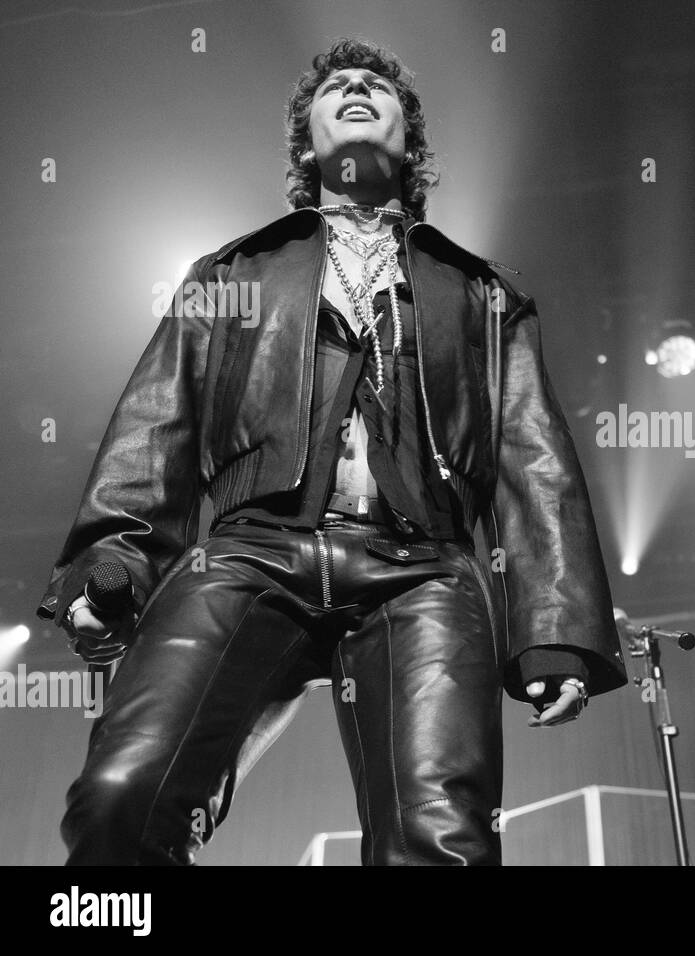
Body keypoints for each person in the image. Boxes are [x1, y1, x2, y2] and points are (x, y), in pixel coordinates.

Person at [36, 37, 625, 865]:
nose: (355, 87)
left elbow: (535, 457)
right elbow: (154, 427)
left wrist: (555, 629)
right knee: (121, 795)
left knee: (440, 839)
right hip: (251, 554)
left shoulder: (483, 293)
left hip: (423, 567)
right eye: (335, 86)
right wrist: (112, 564)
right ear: (306, 144)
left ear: (409, 143)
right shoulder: (235, 271)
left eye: (376, 85)